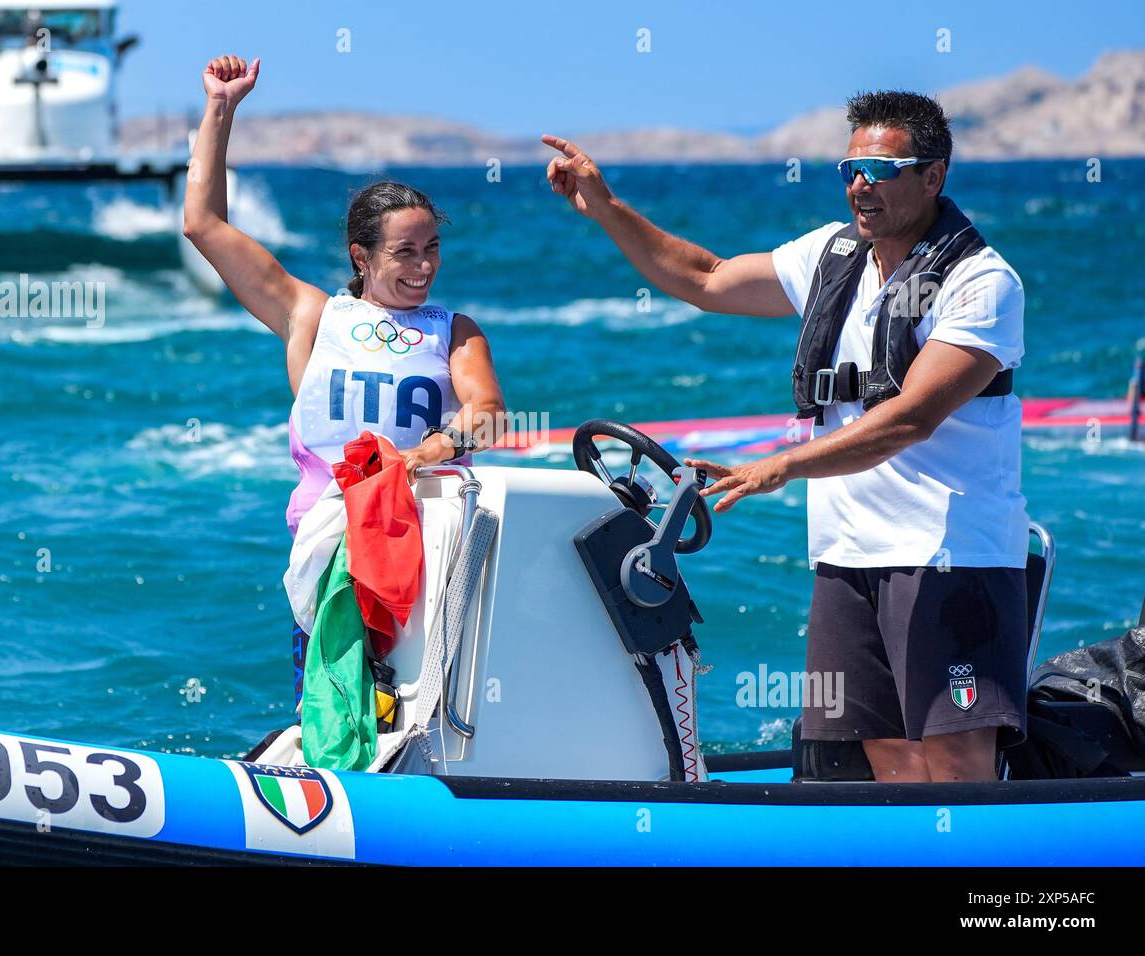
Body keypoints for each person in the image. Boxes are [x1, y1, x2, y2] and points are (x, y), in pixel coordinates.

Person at [543, 91, 1028, 783]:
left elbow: (912, 417)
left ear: (933, 176)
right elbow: (706, 279)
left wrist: (782, 467)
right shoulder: (832, 256)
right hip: (848, 555)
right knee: (886, 758)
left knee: (955, 765)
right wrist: (607, 209)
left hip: (952, 557)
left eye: (883, 170)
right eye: (851, 169)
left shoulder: (983, 283)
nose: (862, 185)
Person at [183, 55, 507, 709]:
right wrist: (221, 109)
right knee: (333, 706)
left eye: (432, 250)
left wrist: (430, 450)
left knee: (407, 704)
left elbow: (491, 413)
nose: (424, 267)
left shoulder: (454, 330)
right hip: (332, 540)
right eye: (405, 253)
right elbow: (203, 226)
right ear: (362, 256)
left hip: (419, 536)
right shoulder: (312, 314)